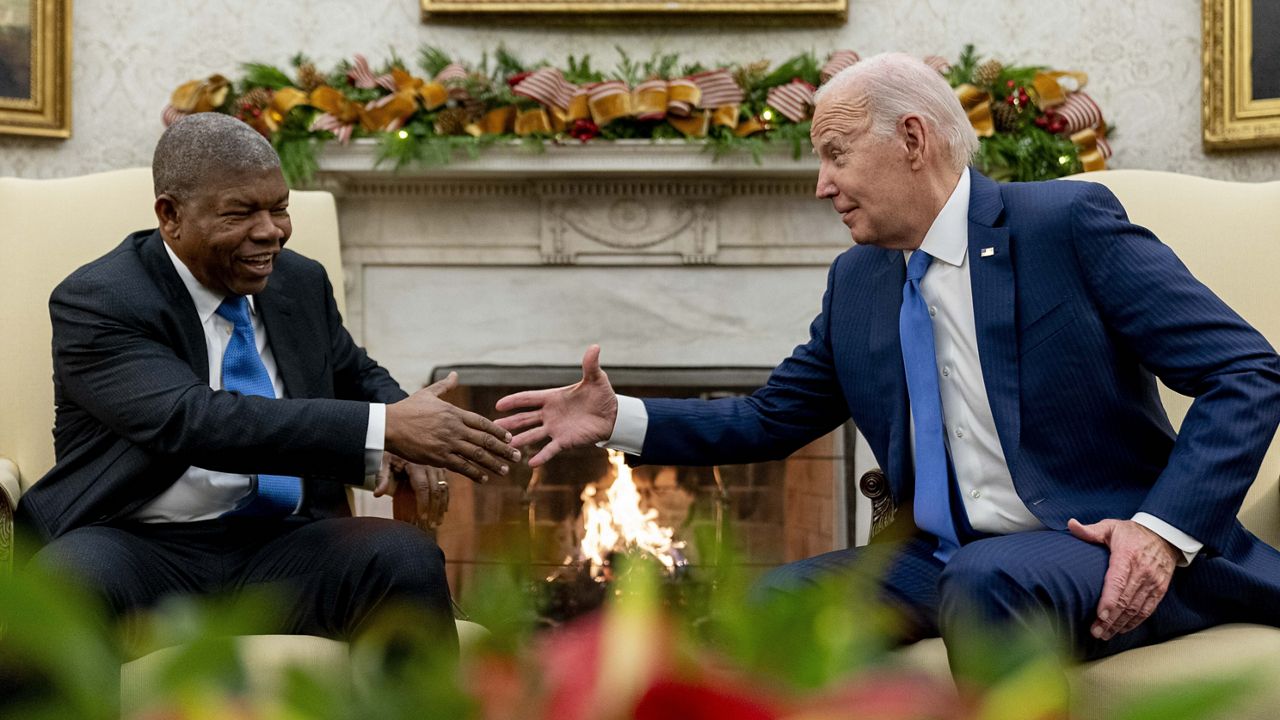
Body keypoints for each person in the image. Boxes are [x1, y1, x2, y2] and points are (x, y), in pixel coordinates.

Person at [494, 53, 1280, 668]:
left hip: (1088, 543)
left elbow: (1245, 371)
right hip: (938, 562)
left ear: (912, 139)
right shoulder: (860, 280)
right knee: (776, 603)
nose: (820, 185)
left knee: (990, 578)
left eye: (834, 154)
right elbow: (770, 417)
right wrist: (615, 417)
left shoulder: (1066, 227)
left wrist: (1159, 533)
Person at [18, 113, 520, 651]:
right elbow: (196, 421)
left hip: (283, 544)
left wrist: (404, 419)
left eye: (280, 208)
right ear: (171, 215)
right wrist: (388, 426)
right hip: (136, 545)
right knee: (66, 580)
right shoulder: (102, 299)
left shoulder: (297, 281)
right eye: (241, 212)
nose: (271, 231)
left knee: (402, 556)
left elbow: (355, 375)